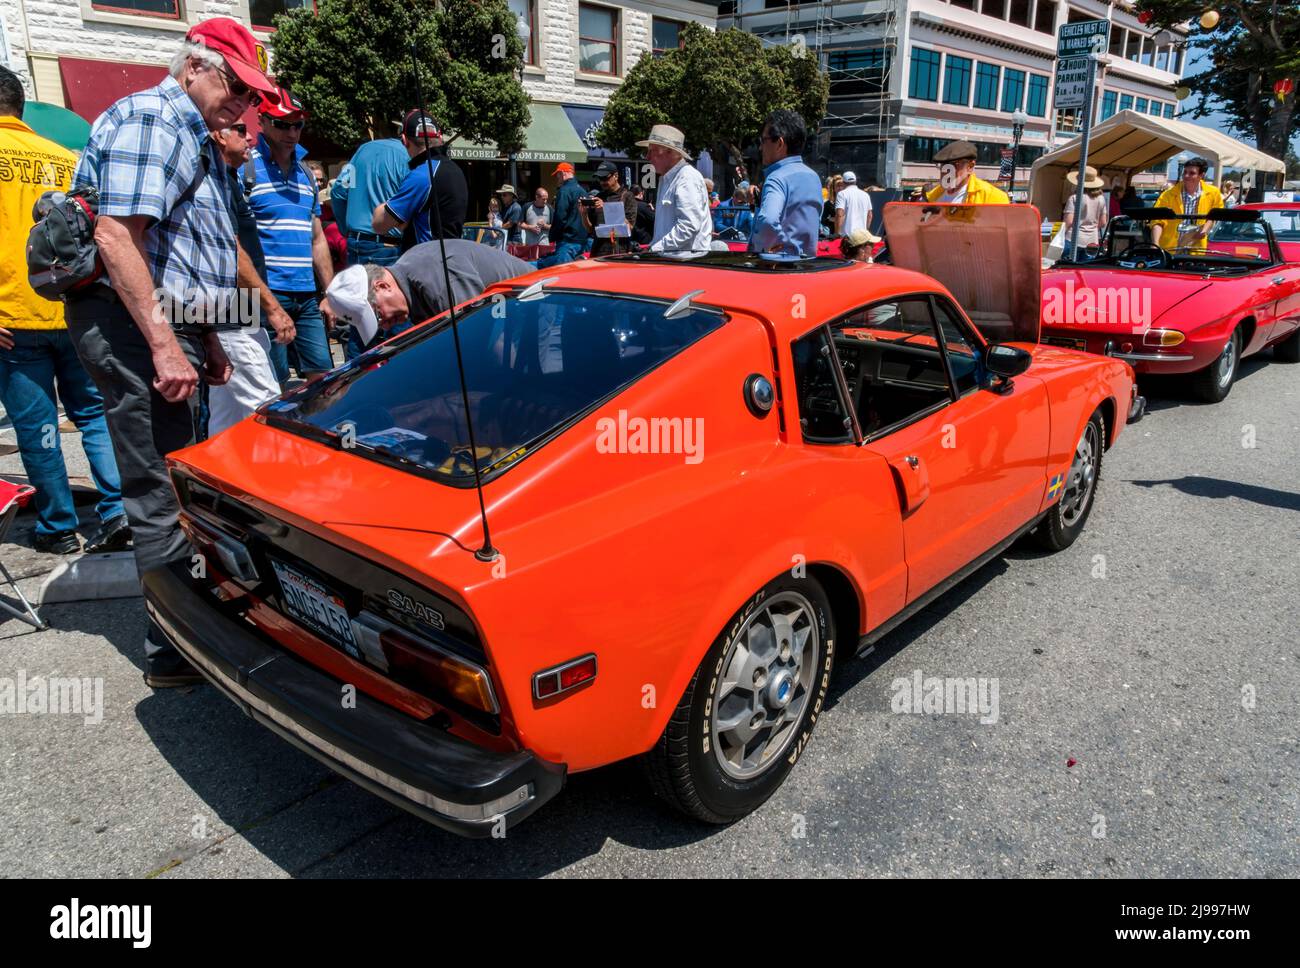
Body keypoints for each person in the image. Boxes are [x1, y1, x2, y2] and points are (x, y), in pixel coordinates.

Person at [66, 18, 276, 687]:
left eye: (251, 96)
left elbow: (182, 252)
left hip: (170, 321)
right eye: (236, 87)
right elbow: (116, 237)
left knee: (180, 477)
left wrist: (206, 337)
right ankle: (175, 651)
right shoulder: (157, 118)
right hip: (135, 326)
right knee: (158, 488)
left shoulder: (189, 131)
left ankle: (190, 625)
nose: (243, 105)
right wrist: (164, 343)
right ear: (194, 66)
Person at [0, 66, 128, 555]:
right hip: (73, 307)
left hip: (13, 317)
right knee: (95, 415)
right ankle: (117, 509)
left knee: (38, 427)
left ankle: (57, 526)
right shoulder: (63, 158)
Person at [245, 86, 334, 385]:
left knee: (324, 381)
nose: (292, 132)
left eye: (298, 125)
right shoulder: (245, 169)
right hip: (266, 294)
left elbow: (317, 238)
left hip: (307, 294)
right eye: (283, 124)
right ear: (263, 121)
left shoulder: (306, 174)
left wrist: (331, 293)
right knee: (272, 384)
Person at [207, 120, 287, 436]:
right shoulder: (215, 183)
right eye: (241, 130)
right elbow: (231, 249)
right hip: (230, 315)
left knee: (226, 419)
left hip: (231, 315)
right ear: (219, 135)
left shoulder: (226, 180)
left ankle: (217, 480)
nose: (250, 137)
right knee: (268, 411)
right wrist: (273, 308)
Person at [324, 239, 531, 341]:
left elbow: (480, 342)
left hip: (540, 304)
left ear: (382, 286)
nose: (385, 326)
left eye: (378, 316)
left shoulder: (437, 281)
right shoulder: (408, 278)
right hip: (512, 318)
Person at [372, 110, 468, 249]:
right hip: (450, 260)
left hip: (424, 263)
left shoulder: (423, 175)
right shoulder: (456, 170)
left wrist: (386, 209)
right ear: (440, 137)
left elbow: (379, 224)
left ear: (405, 141)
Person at [748, 109, 822, 257]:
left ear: (780, 143)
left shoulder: (776, 178)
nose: (761, 147)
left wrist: (768, 248)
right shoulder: (814, 177)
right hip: (807, 267)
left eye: (763, 140)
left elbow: (768, 220)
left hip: (776, 267)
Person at [330, 135, 407, 267]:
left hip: (355, 243)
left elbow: (339, 191)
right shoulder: (407, 156)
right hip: (388, 247)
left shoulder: (363, 150)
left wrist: (346, 230)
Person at [637, 124, 711, 253]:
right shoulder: (667, 179)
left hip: (686, 263)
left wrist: (655, 248)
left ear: (669, 152)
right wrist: (653, 247)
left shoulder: (686, 177)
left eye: (652, 151)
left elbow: (688, 226)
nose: (647, 157)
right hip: (673, 261)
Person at [1152, 157, 1223, 252]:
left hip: (1197, 248)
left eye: (1192, 173)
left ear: (1201, 175)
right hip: (1170, 249)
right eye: (1185, 172)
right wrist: (1155, 244)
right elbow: (1157, 221)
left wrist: (1205, 229)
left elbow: (1215, 215)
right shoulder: (1168, 194)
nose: (1186, 175)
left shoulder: (1213, 193)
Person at [926, 141, 1009, 204]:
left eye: (954, 165)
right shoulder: (932, 195)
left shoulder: (992, 197)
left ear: (970, 167)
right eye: (943, 165)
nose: (946, 171)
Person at [583, 160, 637, 257]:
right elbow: (590, 229)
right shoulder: (599, 196)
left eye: (605, 178)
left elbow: (630, 227)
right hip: (597, 251)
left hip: (618, 252)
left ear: (615, 176)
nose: (602, 182)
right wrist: (584, 214)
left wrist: (607, 208)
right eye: (599, 178)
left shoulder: (627, 196)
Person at [539, 162, 585, 266]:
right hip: (582, 240)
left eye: (558, 175)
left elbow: (560, 217)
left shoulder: (564, 191)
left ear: (563, 173)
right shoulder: (582, 190)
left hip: (567, 241)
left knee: (561, 274)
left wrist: (553, 236)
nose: (557, 178)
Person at [1062, 166, 1109, 260]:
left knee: (1069, 269)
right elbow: (1103, 223)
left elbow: (1069, 222)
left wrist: (1059, 236)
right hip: (1092, 241)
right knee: (1086, 270)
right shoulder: (1101, 199)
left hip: (1073, 239)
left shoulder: (1074, 198)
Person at [834, 170, 872, 237]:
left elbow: (840, 214)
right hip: (862, 237)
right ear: (855, 181)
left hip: (847, 237)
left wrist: (837, 233)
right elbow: (869, 215)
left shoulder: (842, 194)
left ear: (843, 182)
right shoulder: (865, 195)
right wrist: (866, 230)